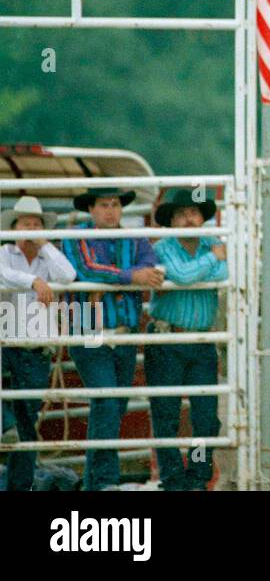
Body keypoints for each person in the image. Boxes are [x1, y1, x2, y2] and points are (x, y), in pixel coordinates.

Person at [61, 186, 164, 491]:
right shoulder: (74, 236)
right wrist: (129, 278)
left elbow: (150, 267)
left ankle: (95, 482)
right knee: (107, 401)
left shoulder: (134, 238)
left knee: (113, 405)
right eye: (103, 205)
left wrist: (110, 280)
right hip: (87, 329)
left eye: (115, 205)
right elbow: (82, 270)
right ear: (91, 209)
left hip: (124, 331)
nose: (110, 210)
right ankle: (105, 482)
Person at [146, 188, 228, 491]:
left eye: (193, 212)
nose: (188, 218)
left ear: (202, 217)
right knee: (166, 413)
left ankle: (196, 476)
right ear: (172, 219)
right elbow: (181, 275)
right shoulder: (163, 248)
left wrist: (204, 264)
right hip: (168, 338)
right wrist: (211, 260)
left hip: (201, 341)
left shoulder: (212, 243)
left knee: (205, 418)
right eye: (181, 213)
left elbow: (224, 271)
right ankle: (173, 480)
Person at [0, 197, 76, 491]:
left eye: (36, 223)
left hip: (34, 348)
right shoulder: (5, 252)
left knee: (26, 423)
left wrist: (44, 245)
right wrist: (33, 280)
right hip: (5, 343)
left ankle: (19, 487)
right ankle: (6, 426)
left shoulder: (49, 257)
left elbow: (68, 276)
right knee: (13, 417)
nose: (30, 228)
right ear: (14, 227)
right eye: (25, 223)